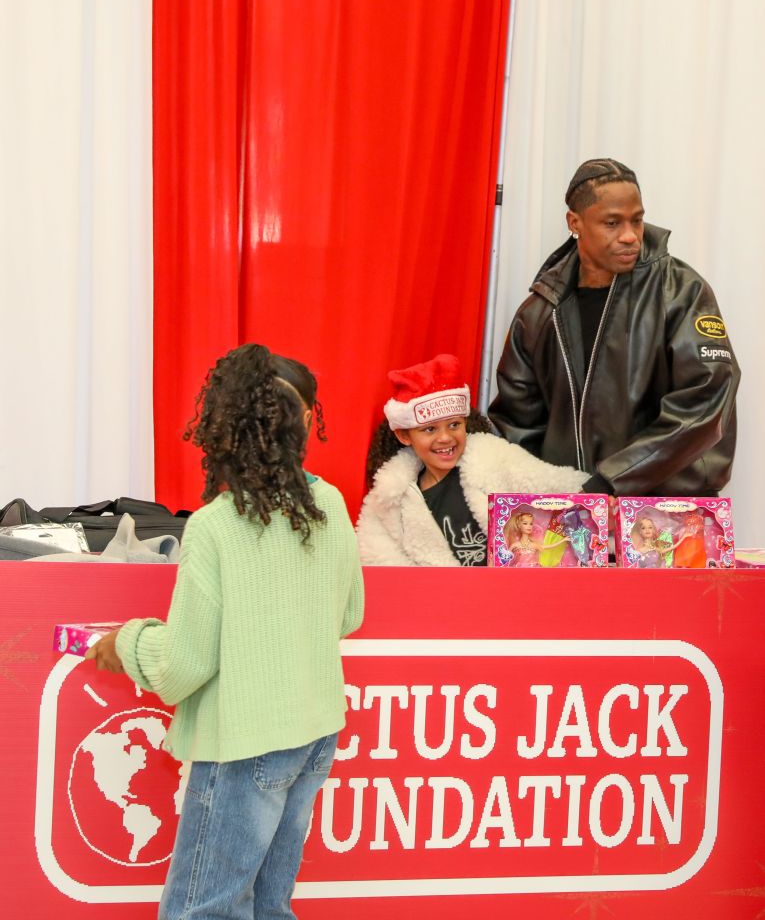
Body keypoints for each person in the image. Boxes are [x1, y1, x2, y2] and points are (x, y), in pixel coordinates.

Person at [86, 344, 364, 920]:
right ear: (302, 422)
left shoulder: (215, 527)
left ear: (224, 425)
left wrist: (128, 643)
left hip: (246, 741)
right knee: (268, 904)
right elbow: (349, 616)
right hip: (314, 732)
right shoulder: (330, 504)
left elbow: (185, 665)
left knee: (202, 908)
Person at [489, 158, 740, 496]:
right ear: (574, 222)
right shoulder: (538, 313)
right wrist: (545, 501)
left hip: (666, 517)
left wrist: (611, 482)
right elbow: (517, 426)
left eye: (636, 221)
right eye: (612, 222)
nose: (629, 236)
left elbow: (707, 399)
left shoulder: (680, 291)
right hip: (572, 520)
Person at [356, 353, 586, 566]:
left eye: (454, 425)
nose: (445, 438)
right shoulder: (391, 499)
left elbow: (552, 484)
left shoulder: (494, 459)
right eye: (429, 430)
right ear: (404, 435)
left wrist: (599, 500)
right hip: (442, 605)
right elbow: (381, 566)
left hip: (513, 597)